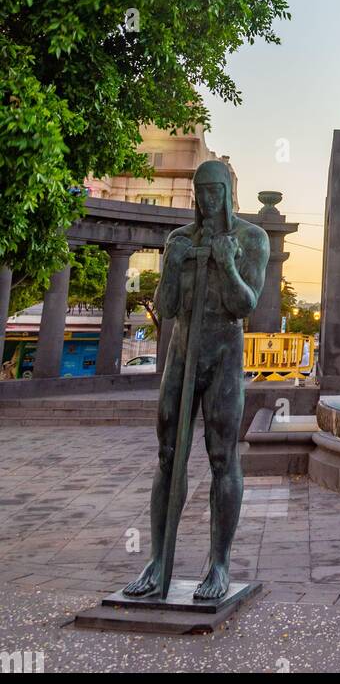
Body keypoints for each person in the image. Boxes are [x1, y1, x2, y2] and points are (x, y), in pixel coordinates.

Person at [124, 159, 269, 601]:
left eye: (215, 191)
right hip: (182, 354)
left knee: (223, 456)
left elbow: (245, 306)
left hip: (223, 354)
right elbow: (167, 307)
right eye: (200, 191)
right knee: (169, 453)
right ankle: (158, 559)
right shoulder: (179, 240)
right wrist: (172, 265)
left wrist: (226, 265)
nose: (207, 200)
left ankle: (219, 564)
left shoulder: (252, 239)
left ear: (228, 193)